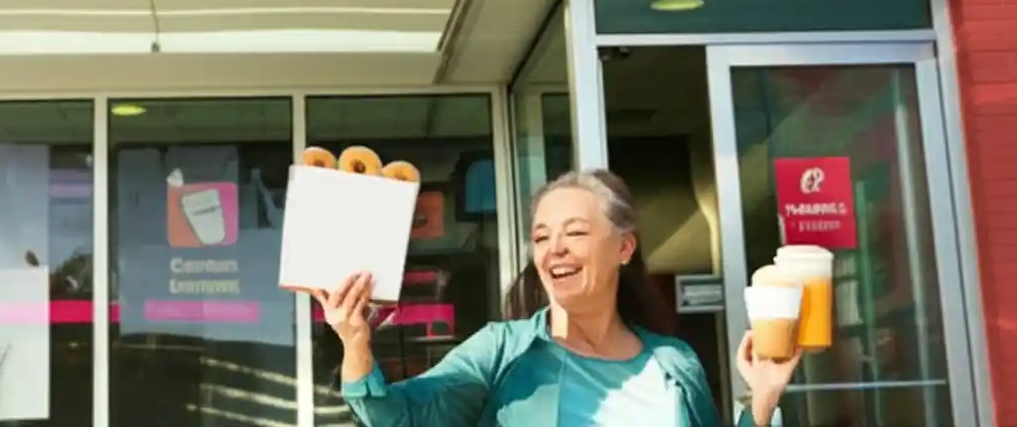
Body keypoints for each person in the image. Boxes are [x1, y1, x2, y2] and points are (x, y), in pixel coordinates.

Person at [312, 169, 802, 426]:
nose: (554, 250)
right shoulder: (502, 351)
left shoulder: (673, 363)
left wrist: (762, 400)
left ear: (624, 248)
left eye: (575, 232)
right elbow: (394, 417)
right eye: (542, 236)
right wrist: (356, 343)